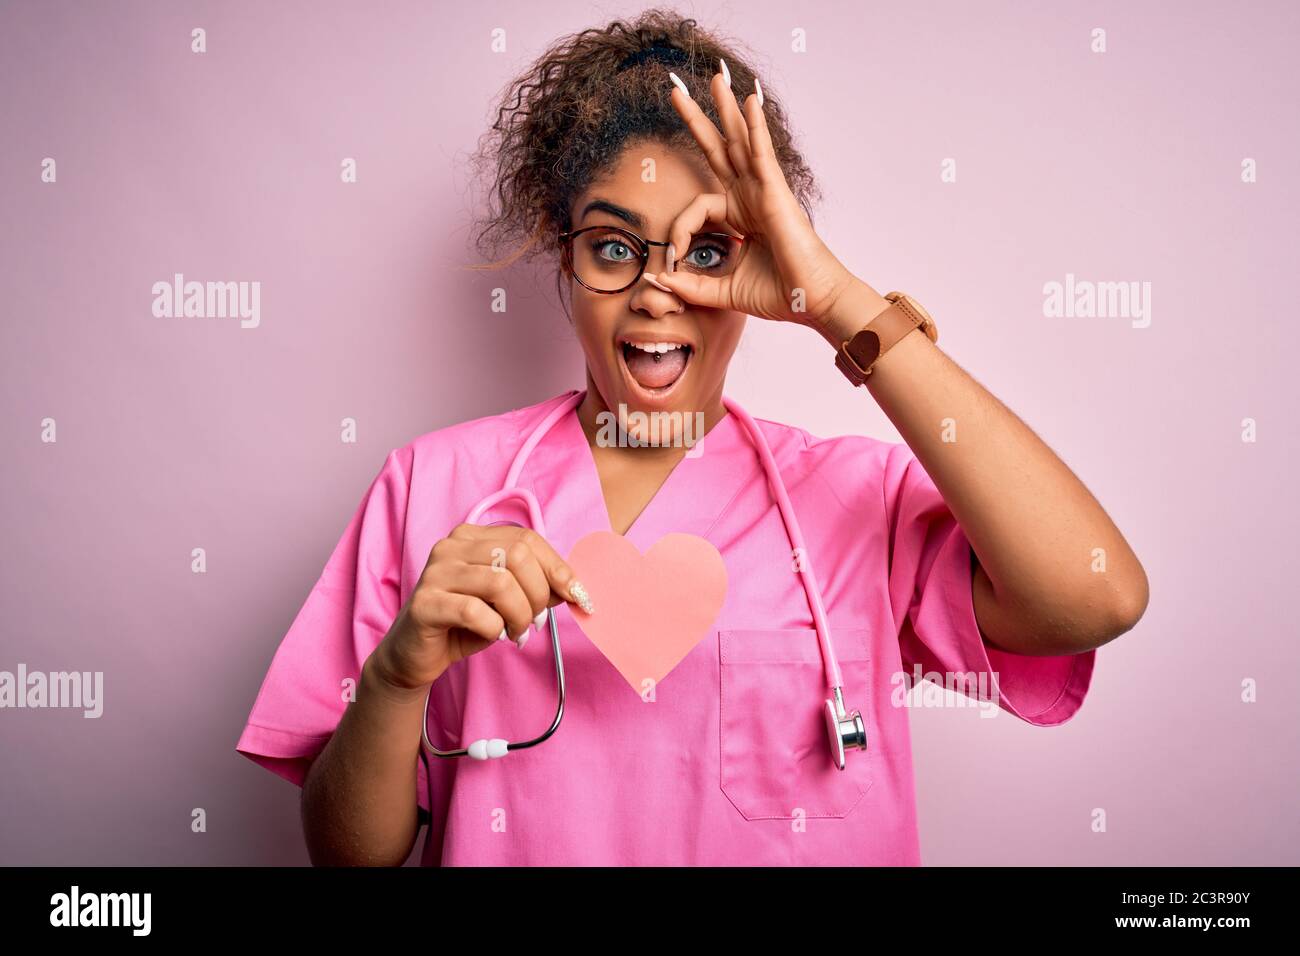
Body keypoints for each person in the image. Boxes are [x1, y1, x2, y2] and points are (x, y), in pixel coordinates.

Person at [235, 10, 1148, 866]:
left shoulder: (854, 500)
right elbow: (351, 853)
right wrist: (397, 675)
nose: (656, 291)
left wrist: (834, 301)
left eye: (707, 252)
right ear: (565, 255)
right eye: (613, 245)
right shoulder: (429, 487)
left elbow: (1096, 596)